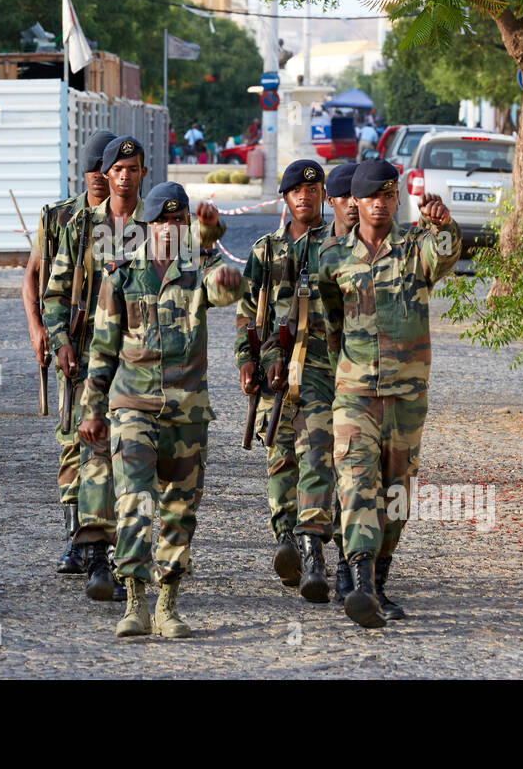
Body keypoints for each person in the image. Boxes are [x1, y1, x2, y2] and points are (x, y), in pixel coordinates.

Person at [48, 136, 225, 602]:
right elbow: (55, 290)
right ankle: (97, 556)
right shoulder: (82, 225)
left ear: (143, 174)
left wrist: (210, 237)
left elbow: (208, 267)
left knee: (132, 469)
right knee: (95, 456)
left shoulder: (166, 230)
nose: (125, 175)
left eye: (133, 168)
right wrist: (58, 340)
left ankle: (132, 565)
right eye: (117, 168)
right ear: (106, 174)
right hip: (94, 355)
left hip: (146, 367)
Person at [79, 182, 241, 638]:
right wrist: (92, 410)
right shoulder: (123, 273)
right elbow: (102, 349)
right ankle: (134, 601)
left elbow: (224, 286)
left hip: (188, 412)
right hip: (133, 404)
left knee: (179, 509)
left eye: (179, 219)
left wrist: (231, 282)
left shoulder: (199, 264)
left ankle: (168, 604)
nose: (171, 228)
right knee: (135, 500)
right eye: (163, 220)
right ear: (146, 226)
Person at [318, 159, 460, 628]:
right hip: (355, 393)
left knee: (397, 493)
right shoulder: (334, 257)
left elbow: (446, 256)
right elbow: (331, 319)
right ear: (354, 203)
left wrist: (444, 224)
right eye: (370, 197)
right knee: (357, 483)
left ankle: (378, 579)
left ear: (395, 197)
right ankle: (359, 583)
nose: (380, 203)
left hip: (406, 396)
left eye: (387, 195)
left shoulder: (415, 246)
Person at [235, 160, 345, 604]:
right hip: (272, 369)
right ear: (284, 198)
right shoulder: (265, 250)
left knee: (316, 452)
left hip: (320, 365)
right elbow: (247, 314)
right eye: (296, 191)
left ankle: (314, 549)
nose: (305, 196)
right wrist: (247, 362)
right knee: (280, 456)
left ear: (323, 197)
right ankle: (287, 539)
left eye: (313, 190)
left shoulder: (335, 245)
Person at [21, 130, 116, 575]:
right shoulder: (60, 218)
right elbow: (33, 279)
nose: (99, 175)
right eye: (93, 167)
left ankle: (105, 540)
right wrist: (38, 330)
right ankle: (73, 539)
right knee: (72, 441)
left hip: (115, 349)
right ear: (84, 169)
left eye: (106, 167)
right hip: (71, 345)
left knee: (110, 442)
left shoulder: (125, 222)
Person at [325, 163, 359, 237]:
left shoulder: (382, 243)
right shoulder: (310, 243)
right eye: (345, 196)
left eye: (358, 196)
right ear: (330, 201)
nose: (353, 203)